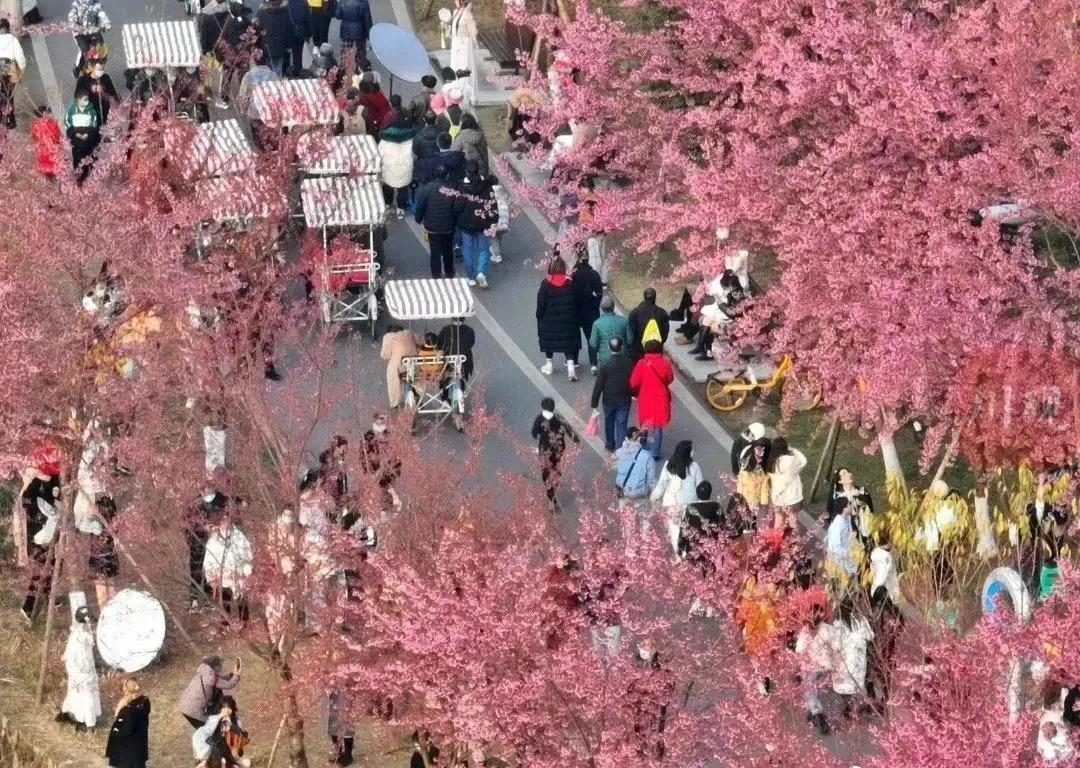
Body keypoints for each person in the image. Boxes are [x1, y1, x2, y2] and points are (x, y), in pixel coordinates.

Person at [650, 440, 703, 554]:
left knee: (675, 532)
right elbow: (699, 485)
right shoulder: (694, 467)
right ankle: (683, 554)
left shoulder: (669, 465)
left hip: (672, 504)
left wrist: (656, 495)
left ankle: (678, 554)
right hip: (687, 505)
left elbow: (662, 484)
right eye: (691, 449)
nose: (693, 451)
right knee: (686, 531)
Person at [535, 255, 581, 380]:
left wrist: (539, 316)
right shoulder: (570, 284)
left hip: (549, 321)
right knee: (568, 342)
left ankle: (549, 364)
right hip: (568, 321)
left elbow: (541, 305)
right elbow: (576, 302)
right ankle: (571, 366)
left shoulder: (545, 284)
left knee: (549, 342)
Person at [57, 605, 101, 730]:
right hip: (88, 669)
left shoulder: (76, 636)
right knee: (83, 692)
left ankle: (85, 722)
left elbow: (71, 652)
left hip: (78, 669)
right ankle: (66, 712)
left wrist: (64, 657)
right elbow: (90, 646)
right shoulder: (88, 634)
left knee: (82, 694)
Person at [530, 397, 578, 510]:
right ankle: (555, 480)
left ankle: (551, 499)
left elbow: (533, 433)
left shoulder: (539, 419)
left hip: (544, 452)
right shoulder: (559, 418)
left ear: (542, 408)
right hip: (558, 450)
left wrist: (541, 436)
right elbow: (570, 430)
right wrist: (577, 441)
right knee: (555, 468)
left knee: (546, 474)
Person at [629, 339, 674, 459]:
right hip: (661, 397)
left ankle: (643, 445)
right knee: (658, 426)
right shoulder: (665, 363)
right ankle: (656, 453)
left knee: (644, 422)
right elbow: (670, 378)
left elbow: (633, 382)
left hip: (646, 397)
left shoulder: (642, 363)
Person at [830, 600, 875, 718]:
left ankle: (851, 706)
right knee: (858, 684)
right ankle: (861, 705)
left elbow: (836, 646)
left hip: (845, 663)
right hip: (860, 661)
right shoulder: (861, 619)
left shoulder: (839, 624)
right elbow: (870, 636)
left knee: (845, 686)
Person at [455, 160, 496, 288]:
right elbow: (492, 204)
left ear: (466, 171)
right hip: (482, 224)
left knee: (468, 250)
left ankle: (470, 276)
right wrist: (492, 221)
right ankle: (481, 272)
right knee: (484, 250)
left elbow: (457, 207)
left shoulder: (462, 188)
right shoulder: (486, 186)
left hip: (466, 224)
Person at [203, 517, 254, 621]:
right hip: (222, 576)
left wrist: (245, 570)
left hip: (238, 574)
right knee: (225, 600)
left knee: (242, 599)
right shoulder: (213, 541)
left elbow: (247, 555)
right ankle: (225, 623)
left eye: (227, 522)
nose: (225, 525)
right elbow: (208, 561)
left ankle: (245, 622)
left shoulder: (239, 537)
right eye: (222, 522)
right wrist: (211, 577)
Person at [187, 485, 228, 610]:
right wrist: (203, 528)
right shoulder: (195, 505)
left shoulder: (221, 499)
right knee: (196, 569)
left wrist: (218, 526)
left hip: (215, 541)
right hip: (198, 541)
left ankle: (208, 598)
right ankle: (193, 599)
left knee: (210, 569)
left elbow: (226, 515)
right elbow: (190, 523)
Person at [414, 164, 458, 278]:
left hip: (432, 227)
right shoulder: (453, 188)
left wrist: (418, 219)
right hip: (449, 226)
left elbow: (420, 206)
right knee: (448, 250)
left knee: (435, 252)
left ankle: (436, 275)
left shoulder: (427, 188)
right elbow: (457, 207)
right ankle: (449, 273)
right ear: (447, 175)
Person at [590, 337, 633, 451]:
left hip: (608, 400)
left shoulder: (606, 364)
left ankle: (610, 444)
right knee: (622, 424)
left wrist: (594, 403)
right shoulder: (628, 362)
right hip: (624, 399)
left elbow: (598, 385)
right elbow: (633, 381)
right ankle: (620, 448)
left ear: (609, 347)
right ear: (621, 347)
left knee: (609, 422)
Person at [179, 656, 242, 730]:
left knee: (206, 728)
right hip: (193, 711)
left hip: (184, 706)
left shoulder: (205, 671)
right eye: (220, 665)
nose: (221, 667)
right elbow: (228, 685)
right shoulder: (210, 677)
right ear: (215, 666)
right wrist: (237, 675)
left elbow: (220, 680)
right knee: (209, 729)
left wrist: (232, 674)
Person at [379, 104, 416, 216]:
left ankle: (387, 203)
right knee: (403, 189)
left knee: (387, 187)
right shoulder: (411, 140)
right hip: (405, 170)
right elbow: (414, 155)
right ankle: (400, 207)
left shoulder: (384, 141)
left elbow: (379, 155)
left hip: (388, 169)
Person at [193, 697, 251, 768]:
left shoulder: (236, 722)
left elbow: (238, 737)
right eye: (224, 707)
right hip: (215, 750)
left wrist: (231, 724)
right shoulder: (214, 719)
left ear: (233, 709)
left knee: (244, 763)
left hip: (229, 751)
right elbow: (208, 730)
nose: (226, 710)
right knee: (221, 761)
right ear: (220, 709)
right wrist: (220, 717)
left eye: (229, 707)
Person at [571, 249, 604, 374]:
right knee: (592, 337)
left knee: (574, 335)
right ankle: (593, 363)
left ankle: (574, 360)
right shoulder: (594, 274)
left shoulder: (574, 274)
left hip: (576, 310)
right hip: (591, 311)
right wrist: (595, 304)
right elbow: (599, 293)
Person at [105, 679, 151, 768]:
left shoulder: (127, 708)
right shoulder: (145, 701)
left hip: (126, 750)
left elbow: (121, 723)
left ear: (126, 689)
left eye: (124, 687)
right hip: (140, 743)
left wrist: (121, 706)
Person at [766, 437, 807, 530]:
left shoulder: (771, 462)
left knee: (778, 521)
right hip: (792, 498)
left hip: (777, 498)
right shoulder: (791, 461)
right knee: (793, 522)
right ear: (785, 448)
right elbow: (803, 461)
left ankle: (776, 542)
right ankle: (791, 542)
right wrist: (793, 450)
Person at [88, 496, 120, 612]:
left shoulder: (108, 502)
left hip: (107, 553)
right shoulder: (95, 503)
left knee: (109, 589)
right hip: (101, 555)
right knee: (104, 589)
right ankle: (107, 615)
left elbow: (113, 528)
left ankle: (109, 615)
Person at [65, 88, 101, 182]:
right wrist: (75, 133)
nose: (86, 101)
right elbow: (67, 123)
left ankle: (86, 174)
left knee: (87, 159)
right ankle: (78, 176)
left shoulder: (92, 111)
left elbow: (94, 125)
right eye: (84, 99)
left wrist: (87, 134)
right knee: (77, 160)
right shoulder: (71, 110)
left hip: (88, 141)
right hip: (76, 141)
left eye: (87, 99)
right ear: (78, 100)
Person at [68, 0, 111, 77]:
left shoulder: (96, 3)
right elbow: (72, 14)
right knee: (85, 50)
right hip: (80, 33)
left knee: (101, 48)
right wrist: (73, 22)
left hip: (94, 31)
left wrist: (106, 22)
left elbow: (102, 14)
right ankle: (78, 67)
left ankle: (100, 65)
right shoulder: (77, 3)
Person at [379, 324, 418, 409]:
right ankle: (417, 394)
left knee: (392, 373)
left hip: (400, 366)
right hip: (414, 365)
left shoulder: (390, 337)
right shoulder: (409, 334)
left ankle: (394, 401)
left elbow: (384, 355)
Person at [588, 296, 632, 369]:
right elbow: (630, 340)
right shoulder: (624, 321)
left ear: (601, 308)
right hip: (622, 355)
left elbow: (593, 343)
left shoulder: (597, 323)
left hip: (605, 358)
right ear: (613, 306)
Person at [76, 55, 120, 128]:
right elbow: (78, 99)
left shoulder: (105, 78)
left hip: (106, 113)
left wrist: (118, 106)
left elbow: (113, 94)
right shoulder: (83, 81)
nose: (101, 71)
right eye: (99, 69)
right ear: (92, 68)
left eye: (102, 69)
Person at [614, 427, 655, 503]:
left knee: (623, 513)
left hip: (622, 490)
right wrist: (652, 494)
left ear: (626, 438)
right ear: (638, 439)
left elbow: (614, 466)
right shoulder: (647, 455)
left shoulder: (618, 453)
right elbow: (651, 479)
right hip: (638, 492)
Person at [628, 288, 670, 359]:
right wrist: (657, 343)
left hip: (638, 351)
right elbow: (665, 334)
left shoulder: (634, 313)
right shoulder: (662, 312)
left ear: (644, 297)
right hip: (656, 351)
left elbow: (631, 333)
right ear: (655, 298)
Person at [0, 19, 26, 129]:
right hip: (9, 71)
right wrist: (20, 73)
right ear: (8, 29)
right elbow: (21, 60)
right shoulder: (13, 40)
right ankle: (10, 120)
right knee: (9, 96)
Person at [735, 438, 770, 517]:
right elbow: (764, 491)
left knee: (741, 517)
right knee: (751, 520)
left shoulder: (746, 460)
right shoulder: (763, 473)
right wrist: (764, 503)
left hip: (741, 494)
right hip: (753, 499)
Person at [257, 0, 292, 75]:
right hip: (280, 47)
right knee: (277, 71)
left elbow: (256, 30)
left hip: (265, 47)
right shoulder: (285, 11)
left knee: (265, 73)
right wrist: (288, 46)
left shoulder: (261, 12)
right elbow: (289, 29)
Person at [438, 317, 476, 383]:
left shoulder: (446, 329)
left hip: (448, 360)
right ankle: (463, 385)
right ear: (464, 319)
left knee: (445, 378)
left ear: (452, 319)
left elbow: (439, 343)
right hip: (465, 361)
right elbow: (471, 343)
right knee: (464, 376)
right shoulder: (469, 330)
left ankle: (444, 387)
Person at [448, 0, 477, 82]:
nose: (456, 2)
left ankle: (465, 83)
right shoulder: (455, 12)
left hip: (464, 42)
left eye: (458, 0)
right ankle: (455, 82)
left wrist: (474, 41)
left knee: (464, 63)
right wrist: (446, 27)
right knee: (455, 62)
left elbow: (472, 29)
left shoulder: (467, 13)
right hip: (456, 41)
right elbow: (454, 28)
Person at [31, 105, 63, 178]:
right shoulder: (51, 123)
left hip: (48, 151)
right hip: (48, 150)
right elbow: (58, 137)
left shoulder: (35, 126)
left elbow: (34, 138)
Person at [412, 111, 442, 185]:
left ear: (424, 120)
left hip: (423, 169)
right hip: (438, 165)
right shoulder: (442, 131)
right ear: (436, 119)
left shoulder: (418, 136)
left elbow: (414, 155)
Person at [327, 690, 354, 766]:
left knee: (347, 726)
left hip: (347, 693)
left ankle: (348, 755)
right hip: (334, 694)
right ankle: (339, 753)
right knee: (334, 725)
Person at [285, 0, 310, 76]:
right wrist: (308, 34)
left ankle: (287, 69)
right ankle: (298, 68)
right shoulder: (304, 2)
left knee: (288, 51)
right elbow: (308, 18)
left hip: (289, 31)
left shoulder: (287, 3)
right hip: (301, 30)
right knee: (299, 51)